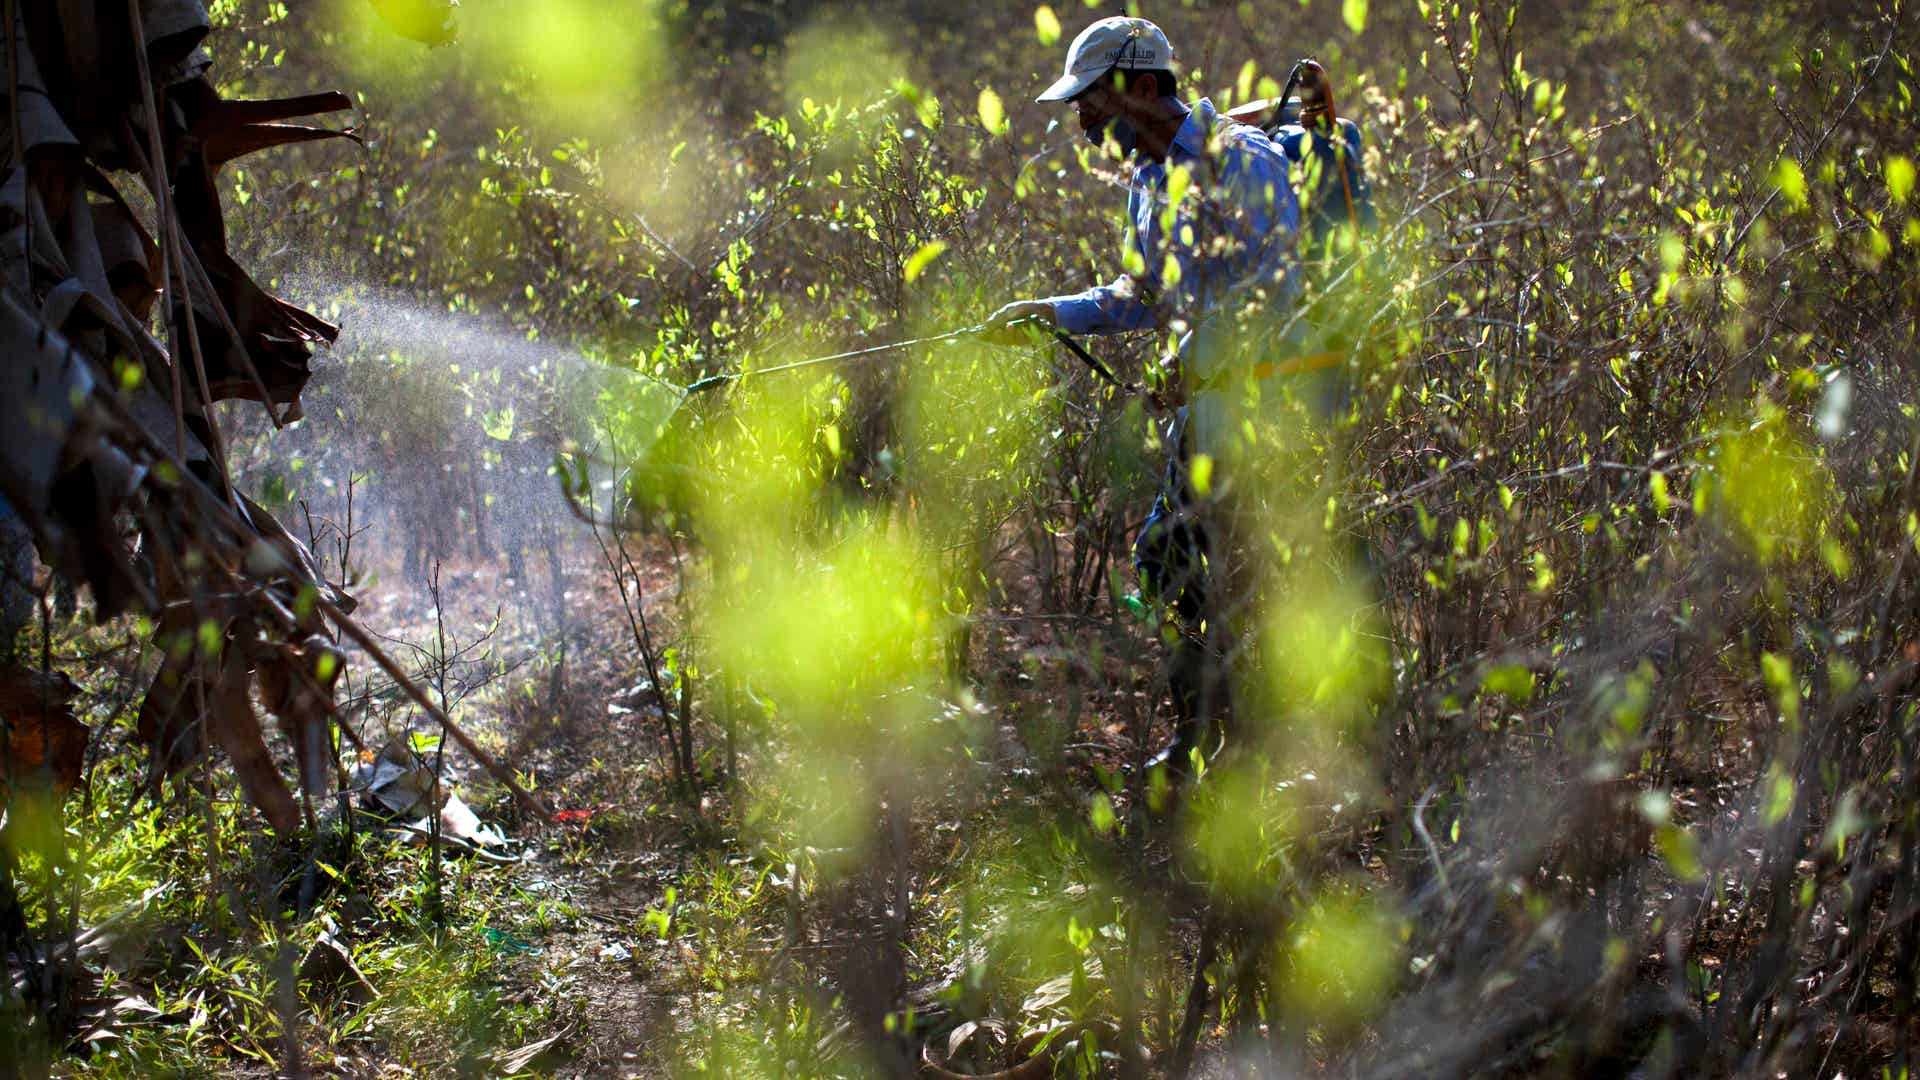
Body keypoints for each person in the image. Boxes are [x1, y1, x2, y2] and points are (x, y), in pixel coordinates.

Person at [984, 15, 1301, 780]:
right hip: (1199, 428)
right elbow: (1143, 294)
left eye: (1093, 101)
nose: (1085, 122)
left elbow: (1278, 293)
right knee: (1173, 569)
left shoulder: (1242, 162)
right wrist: (1051, 313)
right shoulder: (1149, 183)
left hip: (1267, 421)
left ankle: (1249, 755)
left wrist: (1199, 363)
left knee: (1232, 581)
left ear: (1145, 85)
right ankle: (1209, 741)